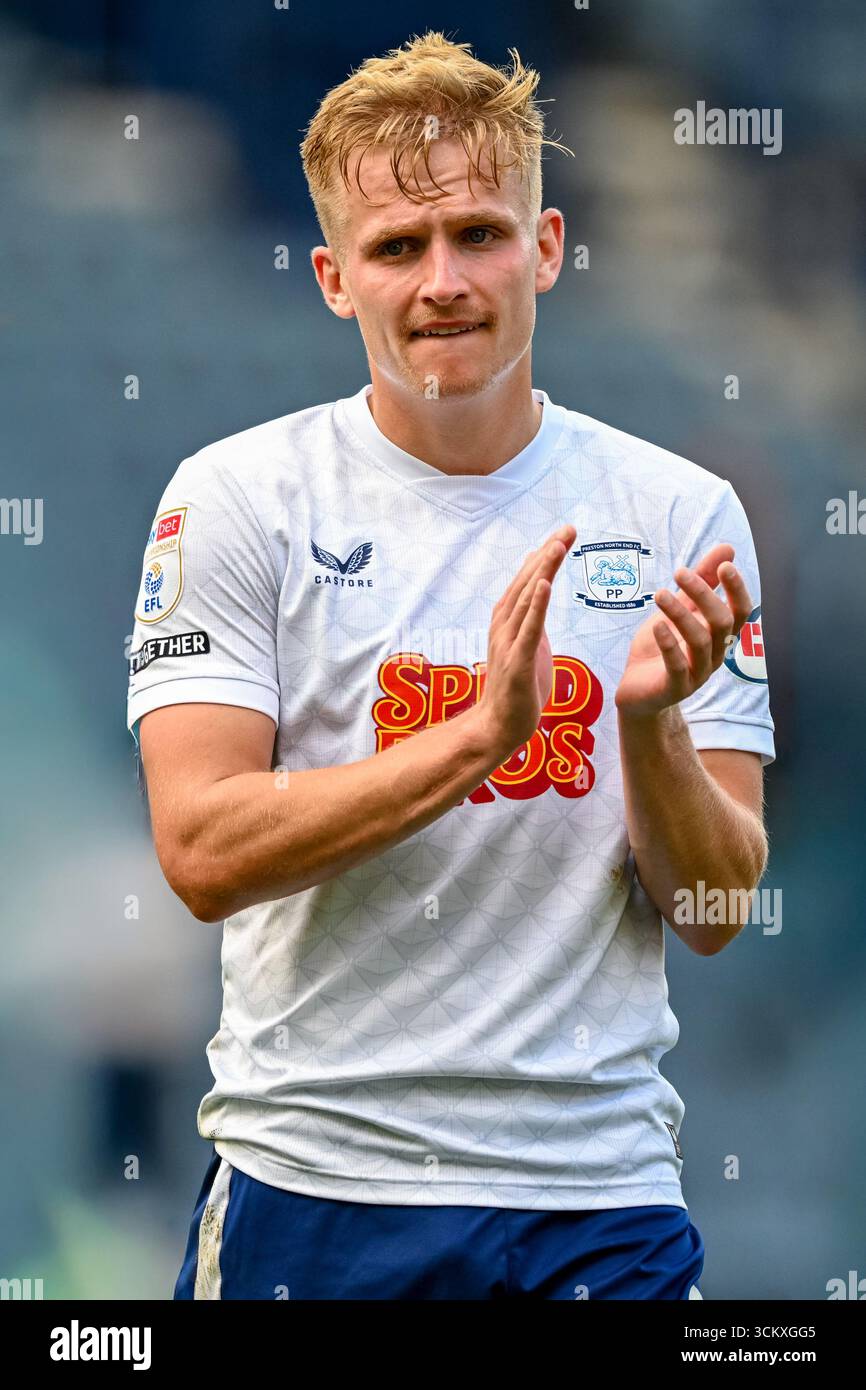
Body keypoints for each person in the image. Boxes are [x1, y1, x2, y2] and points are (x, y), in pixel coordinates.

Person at [127, 31, 774, 1300]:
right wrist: (473, 738)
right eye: (395, 247)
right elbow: (200, 852)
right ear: (331, 276)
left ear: (543, 246)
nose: (443, 280)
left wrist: (647, 729)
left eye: (478, 233)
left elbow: (711, 913)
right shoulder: (235, 499)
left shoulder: (679, 513)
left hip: (594, 1196)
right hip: (316, 1184)